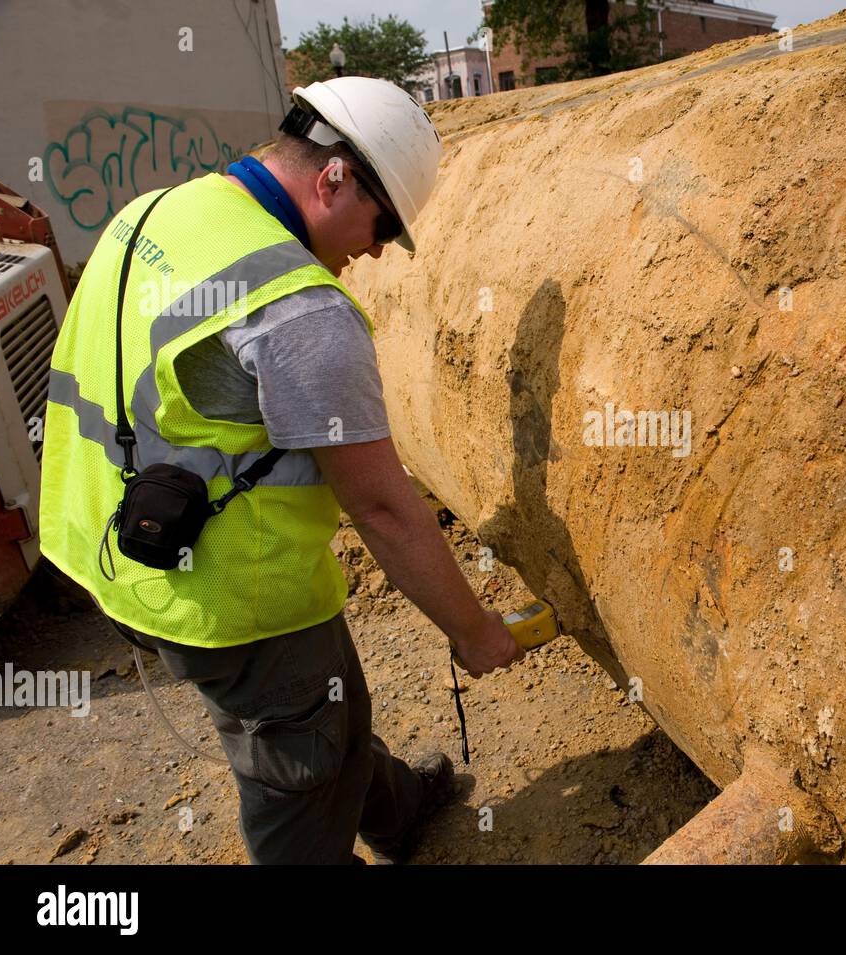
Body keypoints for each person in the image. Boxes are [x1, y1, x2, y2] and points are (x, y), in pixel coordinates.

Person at [38, 76, 522, 864]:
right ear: (333, 177)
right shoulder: (299, 306)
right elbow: (386, 509)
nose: (373, 250)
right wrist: (473, 632)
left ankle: (396, 810)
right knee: (298, 750)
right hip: (233, 601)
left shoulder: (151, 211)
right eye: (382, 224)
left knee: (330, 701)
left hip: (110, 549)